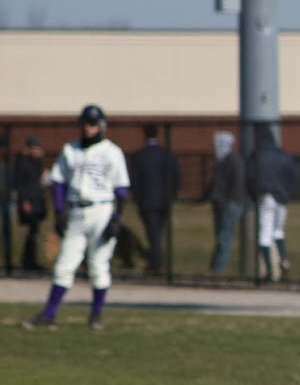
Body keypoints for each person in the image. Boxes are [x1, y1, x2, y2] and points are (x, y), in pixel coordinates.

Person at [20, 104, 130, 331]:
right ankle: (49, 315)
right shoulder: (71, 149)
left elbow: (121, 189)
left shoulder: (112, 152)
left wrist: (117, 217)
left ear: (101, 126)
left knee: (98, 265)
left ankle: (96, 316)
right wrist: (59, 212)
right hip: (77, 212)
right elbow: (58, 182)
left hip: (101, 209)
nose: (88, 128)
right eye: (85, 124)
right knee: (64, 265)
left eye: (93, 124)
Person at [128, 123, 181, 277]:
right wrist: (172, 195)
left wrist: (137, 198)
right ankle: (155, 260)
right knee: (157, 232)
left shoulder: (139, 156)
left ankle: (156, 264)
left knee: (154, 234)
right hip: (164, 200)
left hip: (146, 201)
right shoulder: (167, 154)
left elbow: (134, 180)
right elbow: (176, 176)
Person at [246, 123, 294, 282]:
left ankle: (269, 271)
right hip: (282, 197)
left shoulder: (257, 155)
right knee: (278, 231)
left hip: (266, 196)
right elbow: (290, 176)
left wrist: (253, 195)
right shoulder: (283, 155)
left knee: (264, 235)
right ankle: (284, 259)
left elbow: (250, 177)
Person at [207, 130, 247, 275]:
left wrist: (227, 200)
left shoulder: (234, 160)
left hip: (230, 204)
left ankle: (218, 269)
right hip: (221, 203)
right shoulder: (222, 161)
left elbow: (236, 183)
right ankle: (215, 266)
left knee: (224, 237)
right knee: (221, 236)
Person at [13, 135, 50, 273]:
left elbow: (42, 181)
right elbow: (21, 184)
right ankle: (26, 261)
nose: (35, 151)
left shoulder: (38, 163)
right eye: (33, 148)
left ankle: (32, 260)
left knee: (35, 232)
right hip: (29, 200)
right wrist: (24, 201)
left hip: (38, 200)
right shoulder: (23, 163)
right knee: (29, 232)